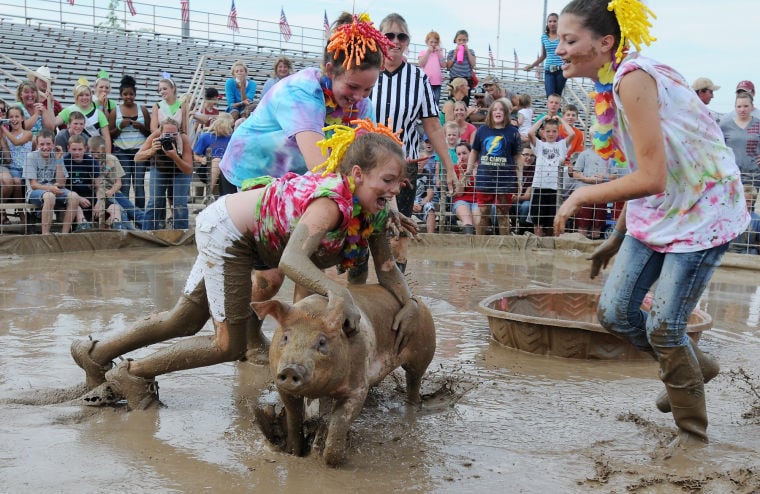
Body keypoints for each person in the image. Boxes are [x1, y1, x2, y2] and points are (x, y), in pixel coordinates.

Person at [71, 125, 419, 411]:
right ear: (357, 174)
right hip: (229, 233)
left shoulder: (374, 212)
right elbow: (291, 262)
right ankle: (133, 374)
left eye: (398, 183)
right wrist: (337, 290)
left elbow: (387, 270)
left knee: (185, 320)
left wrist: (410, 305)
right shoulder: (330, 205)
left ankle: (95, 353)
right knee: (228, 345)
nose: (393, 190)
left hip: (239, 235)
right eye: (386, 180)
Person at [553, 0, 749, 451]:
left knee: (664, 326)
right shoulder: (611, 82)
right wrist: (618, 236)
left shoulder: (633, 79)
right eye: (558, 39)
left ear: (604, 44)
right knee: (615, 313)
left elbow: (651, 176)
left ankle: (692, 436)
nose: (558, 49)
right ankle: (695, 366)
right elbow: (646, 170)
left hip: (703, 206)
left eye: (569, 40)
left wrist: (581, 194)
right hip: (663, 206)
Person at [219, 13, 390, 190]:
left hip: (290, 183)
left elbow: (373, 160)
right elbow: (321, 171)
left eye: (368, 89)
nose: (359, 97)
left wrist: (390, 208)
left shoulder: (362, 104)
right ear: (330, 71)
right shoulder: (300, 91)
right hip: (247, 175)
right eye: (353, 86)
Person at [372, 12, 456, 272]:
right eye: (389, 35)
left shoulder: (418, 78)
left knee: (400, 232)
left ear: (408, 41)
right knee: (362, 231)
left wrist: (449, 166)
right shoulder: (366, 71)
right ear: (379, 38)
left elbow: (432, 125)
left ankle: (397, 294)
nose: (395, 41)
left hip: (403, 167)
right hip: (367, 167)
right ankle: (359, 292)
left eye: (402, 36)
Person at [466, 98, 522, 235]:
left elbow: (518, 157)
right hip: (485, 177)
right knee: (483, 212)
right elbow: (474, 152)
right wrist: (468, 171)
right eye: (495, 109)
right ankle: (479, 243)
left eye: (501, 109)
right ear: (490, 112)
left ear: (506, 113)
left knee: (503, 213)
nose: (498, 112)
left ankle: (505, 245)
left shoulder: (513, 132)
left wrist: (519, 179)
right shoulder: (482, 130)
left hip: (505, 179)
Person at [136, 117, 193, 230]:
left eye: (174, 134)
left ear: (179, 132)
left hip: (180, 169)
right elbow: (137, 158)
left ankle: (180, 233)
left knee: (179, 204)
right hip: (160, 168)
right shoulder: (155, 136)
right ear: (160, 132)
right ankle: (148, 232)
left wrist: (175, 157)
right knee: (155, 201)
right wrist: (152, 150)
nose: (170, 137)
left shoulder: (184, 139)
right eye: (167, 134)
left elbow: (188, 170)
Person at [22, 129, 82, 234]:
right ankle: (45, 235)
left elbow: (62, 183)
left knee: (74, 196)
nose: (45, 147)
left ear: (54, 144)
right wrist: (51, 188)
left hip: (54, 190)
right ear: (37, 143)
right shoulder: (31, 156)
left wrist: (59, 160)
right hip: (35, 192)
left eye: (48, 144)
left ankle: (65, 234)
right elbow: (33, 185)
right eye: (42, 144)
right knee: (49, 196)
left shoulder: (57, 155)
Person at [528, 115, 576, 236]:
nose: (551, 134)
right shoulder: (539, 145)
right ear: (543, 132)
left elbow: (572, 134)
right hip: (540, 186)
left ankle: (552, 243)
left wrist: (560, 119)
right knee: (538, 220)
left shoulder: (561, 145)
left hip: (555, 187)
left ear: (558, 132)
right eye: (548, 131)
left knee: (552, 220)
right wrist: (542, 118)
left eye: (554, 131)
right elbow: (530, 132)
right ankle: (537, 242)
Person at [112, 75, 151, 210]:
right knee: (125, 184)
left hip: (139, 150)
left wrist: (141, 127)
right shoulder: (115, 111)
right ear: (121, 95)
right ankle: (125, 214)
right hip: (121, 151)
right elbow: (110, 134)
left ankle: (140, 215)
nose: (128, 97)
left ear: (135, 94)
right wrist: (120, 127)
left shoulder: (143, 110)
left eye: (131, 94)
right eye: (125, 94)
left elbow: (150, 133)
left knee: (139, 184)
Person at [43, 78, 112, 153]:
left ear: (91, 97)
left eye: (87, 95)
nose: (84, 97)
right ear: (76, 97)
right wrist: (51, 104)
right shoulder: (68, 110)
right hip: (75, 153)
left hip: (94, 154)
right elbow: (53, 124)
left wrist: (107, 156)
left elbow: (107, 138)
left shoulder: (99, 113)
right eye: (81, 95)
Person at [90, 135, 142, 229]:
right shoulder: (89, 160)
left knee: (134, 211)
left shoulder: (111, 159)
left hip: (113, 192)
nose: (95, 155)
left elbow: (118, 183)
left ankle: (150, 230)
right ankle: (131, 233)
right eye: (92, 152)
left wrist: (111, 191)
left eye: (98, 152)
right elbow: (97, 182)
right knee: (122, 213)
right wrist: (107, 168)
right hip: (99, 193)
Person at [719, 91, 760, 192]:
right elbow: (718, 148)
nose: (742, 110)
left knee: (748, 204)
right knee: (732, 205)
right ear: (735, 108)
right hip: (731, 174)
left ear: (752, 107)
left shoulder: (758, 124)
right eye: (739, 106)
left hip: (753, 174)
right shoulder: (724, 125)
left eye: (746, 106)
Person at [572, 148, 614, 239]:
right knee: (582, 222)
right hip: (585, 191)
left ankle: (594, 246)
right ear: (590, 139)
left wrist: (605, 177)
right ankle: (580, 244)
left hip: (602, 192)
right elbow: (575, 173)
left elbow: (614, 175)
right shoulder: (584, 154)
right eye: (594, 136)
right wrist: (586, 179)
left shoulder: (610, 155)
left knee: (598, 224)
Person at [1, 105, 32, 224]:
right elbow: (8, 157)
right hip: (14, 168)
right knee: (17, 181)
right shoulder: (5, 136)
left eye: (17, 116)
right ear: (8, 119)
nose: (14, 119)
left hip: (27, 168)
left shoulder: (28, 133)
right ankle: (21, 213)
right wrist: (2, 138)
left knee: (22, 181)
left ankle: (31, 213)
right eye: (11, 117)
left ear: (22, 118)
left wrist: (3, 129)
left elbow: (17, 142)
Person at [193, 113, 234, 202]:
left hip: (226, 171)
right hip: (207, 169)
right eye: (229, 126)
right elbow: (194, 155)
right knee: (217, 160)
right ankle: (209, 193)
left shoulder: (231, 138)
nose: (231, 128)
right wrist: (201, 159)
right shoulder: (206, 137)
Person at [524, 13, 566, 97]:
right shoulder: (544, 37)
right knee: (550, 95)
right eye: (550, 21)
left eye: (555, 21)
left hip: (561, 70)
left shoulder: (562, 35)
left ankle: (558, 110)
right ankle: (554, 110)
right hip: (548, 70)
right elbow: (543, 55)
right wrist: (532, 66)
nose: (552, 23)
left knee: (557, 96)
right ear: (547, 23)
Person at [452, 141, 478, 234]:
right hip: (462, 200)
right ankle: (468, 241)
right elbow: (459, 193)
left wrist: (474, 173)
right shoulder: (455, 168)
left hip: (478, 200)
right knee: (467, 220)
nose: (461, 157)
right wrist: (461, 173)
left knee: (477, 222)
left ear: (471, 153)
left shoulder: (480, 167)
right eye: (458, 154)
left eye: (464, 153)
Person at [418, 31, 446, 106]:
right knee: (425, 102)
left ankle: (435, 116)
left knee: (435, 101)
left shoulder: (439, 53)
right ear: (427, 42)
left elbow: (443, 64)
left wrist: (439, 53)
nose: (433, 44)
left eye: (436, 42)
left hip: (437, 83)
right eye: (431, 42)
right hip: (426, 82)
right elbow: (421, 64)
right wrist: (428, 52)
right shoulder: (423, 52)